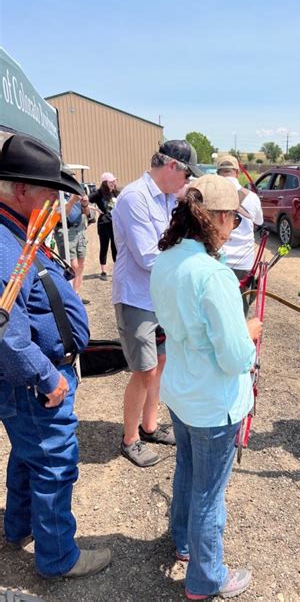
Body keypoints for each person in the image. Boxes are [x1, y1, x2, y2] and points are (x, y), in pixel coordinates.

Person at [0, 133, 111, 577]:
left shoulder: (15, 230)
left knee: (30, 455)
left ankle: (19, 527)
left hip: (31, 383)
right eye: (51, 193)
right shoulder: (4, 244)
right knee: (54, 466)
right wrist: (48, 378)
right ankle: (58, 558)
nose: (58, 203)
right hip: (34, 384)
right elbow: (6, 332)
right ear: (22, 190)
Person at [150, 174, 263, 600]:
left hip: (181, 392)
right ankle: (206, 579)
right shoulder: (213, 275)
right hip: (213, 403)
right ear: (215, 218)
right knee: (209, 494)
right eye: (233, 218)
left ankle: (183, 543)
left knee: (187, 471)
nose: (234, 226)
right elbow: (234, 356)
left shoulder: (166, 259)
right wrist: (249, 333)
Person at [112, 140, 202, 467]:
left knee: (161, 364)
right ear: (172, 167)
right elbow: (148, 255)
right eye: (187, 174)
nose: (187, 182)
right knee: (144, 369)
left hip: (158, 296)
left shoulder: (167, 197)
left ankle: (149, 426)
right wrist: (191, 262)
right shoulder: (134, 198)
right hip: (136, 297)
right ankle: (130, 438)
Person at [217, 155, 263, 315]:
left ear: (218, 173)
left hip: (216, 261)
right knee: (240, 311)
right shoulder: (252, 197)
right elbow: (260, 220)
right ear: (236, 172)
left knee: (217, 309)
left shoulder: (211, 194)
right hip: (243, 262)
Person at [54, 190, 91, 301]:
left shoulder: (74, 194)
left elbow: (87, 213)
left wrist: (85, 204)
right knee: (72, 265)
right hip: (66, 231)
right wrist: (72, 201)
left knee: (81, 263)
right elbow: (60, 217)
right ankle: (68, 295)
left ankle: (76, 294)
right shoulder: (57, 195)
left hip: (79, 230)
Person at [88, 172, 119, 281]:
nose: (113, 183)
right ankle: (103, 271)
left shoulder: (116, 192)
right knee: (104, 247)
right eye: (111, 182)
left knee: (115, 247)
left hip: (114, 223)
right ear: (105, 183)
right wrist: (96, 209)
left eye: (114, 181)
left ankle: (117, 270)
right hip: (103, 224)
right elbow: (85, 201)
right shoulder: (98, 193)